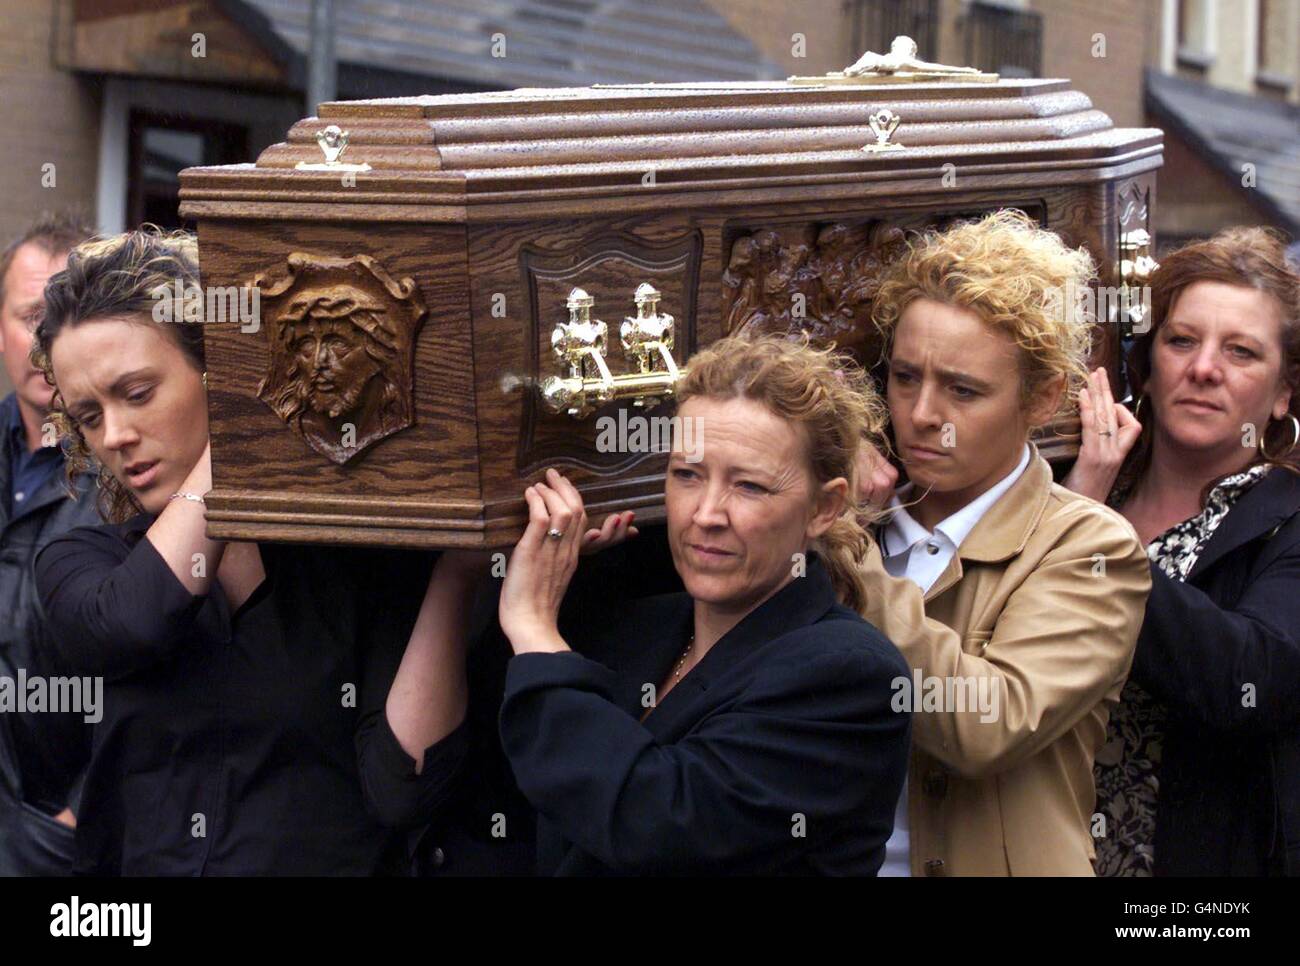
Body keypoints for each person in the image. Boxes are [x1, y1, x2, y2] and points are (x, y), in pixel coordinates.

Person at [31, 228, 466, 875]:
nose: (116, 436)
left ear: (218, 369)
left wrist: (460, 575)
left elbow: (401, 785)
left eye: (138, 393)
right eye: (89, 415)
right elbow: (136, 622)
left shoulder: (353, 563)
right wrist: (242, 436)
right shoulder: (79, 564)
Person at [398, 336, 911, 875]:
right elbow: (452, 781)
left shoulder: (850, 676)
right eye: (687, 475)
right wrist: (472, 573)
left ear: (823, 507)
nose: (706, 513)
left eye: (750, 486)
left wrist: (534, 628)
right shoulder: (637, 628)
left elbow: (660, 827)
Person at [853, 209, 1152, 875]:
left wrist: (848, 554)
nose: (924, 414)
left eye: (963, 390)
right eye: (905, 377)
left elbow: (984, 724)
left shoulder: (1091, 548)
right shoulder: (855, 519)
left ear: (1044, 399)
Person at [1064, 226, 1300, 876]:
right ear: (1147, 361)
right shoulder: (1080, 485)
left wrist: (1086, 535)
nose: (1203, 368)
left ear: (1283, 394)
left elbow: (1247, 678)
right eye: (1181, 340)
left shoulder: (1289, 518)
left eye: (1242, 352)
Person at [0, 213, 99, 876]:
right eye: (30, 313)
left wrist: (76, 816)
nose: (44, 337)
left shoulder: (134, 480)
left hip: (53, 845)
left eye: (63, 312)